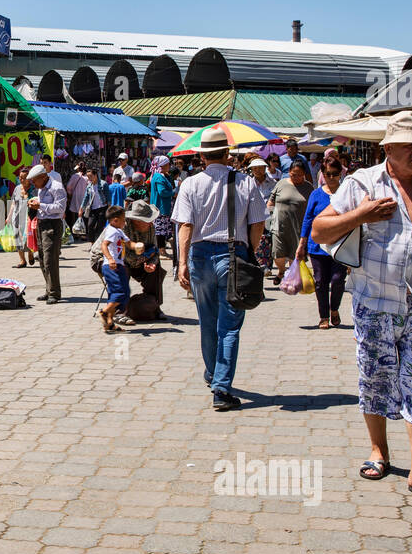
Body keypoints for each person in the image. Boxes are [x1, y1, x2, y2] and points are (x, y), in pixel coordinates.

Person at [311, 110, 412, 506]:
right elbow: (319, 230)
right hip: (374, 302)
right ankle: (378, 450)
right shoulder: (362, 183)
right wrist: (361, 214)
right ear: (388, 148)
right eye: (409, 145)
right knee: (375, 378)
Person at [173, 126, 266, 411]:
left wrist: (181, 262)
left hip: (200, 256)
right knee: (229, 327)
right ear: (227, 154)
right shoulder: (245, 182)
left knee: (208, 322)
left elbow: (185, 226)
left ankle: (214, 373)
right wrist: (248, 250)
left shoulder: (190, 184)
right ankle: (221, 388)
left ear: (202, 157)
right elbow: (259, 222)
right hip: (233, 255)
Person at [297, 155, 348, 330]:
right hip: (317, 246)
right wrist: (301, 244)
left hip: (340, 245)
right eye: (328, 174)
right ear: (323, 174)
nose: (331, 177)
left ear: (340, 174)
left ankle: (334, 309)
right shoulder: (316, 194)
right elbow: (307, 219)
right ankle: (323, 316)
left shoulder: (346, 193)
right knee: (320, 281)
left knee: (338, 279)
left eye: (335, 174)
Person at [269, 160, 313, 286]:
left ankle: (291, 276)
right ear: (289, 172)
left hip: (298, 226)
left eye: (299, 175)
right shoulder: (281, 183)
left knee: (295, 253)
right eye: (293, 174)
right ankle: (281, 271)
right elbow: (271, 201)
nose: (296, 177)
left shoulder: (308, 187)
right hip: (279, 225)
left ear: (304, 174)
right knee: (278, 254)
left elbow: (312, 207)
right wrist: (268, 217)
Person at [29, 162, 66, 303]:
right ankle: (49, 288)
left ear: (43, 177)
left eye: (34, 180)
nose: (33, 183)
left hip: (52, 225)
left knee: (50, 259)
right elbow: (42, 202)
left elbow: (60, 208)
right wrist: (35, 203)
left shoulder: (57, 187)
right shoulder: (41, 187)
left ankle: (54, 293)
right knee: (42, 258)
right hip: (41, 223)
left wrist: (40, 205)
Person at [124, 200, 165, 317]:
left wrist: (151, 263)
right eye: (146, 221)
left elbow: (155, 250)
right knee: (121, 268)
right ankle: (120, 309)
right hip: (115, 260)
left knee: (156, 268)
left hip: (139, 259)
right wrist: (145, 257)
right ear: (136, 220)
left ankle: (155, 305)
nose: (150, 223)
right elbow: (126, 257)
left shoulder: (150, 227)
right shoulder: (124, 226)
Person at [98, 205, 135, 333]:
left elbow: (129, 244)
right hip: (111, 266)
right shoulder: (111, 231)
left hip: (119, 266)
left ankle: (109, 323)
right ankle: (104, 312)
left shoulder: (119, 231)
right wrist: (110, 258)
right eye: (123, 219)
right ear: (115, 220)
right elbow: (104, 245)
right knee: (120, 292)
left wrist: (139, 247)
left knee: (120, 292)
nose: (125, 222)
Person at [9, 166, 34, 268]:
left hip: (28, 218)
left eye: (24, 177)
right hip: (17, 217)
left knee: (28, 238)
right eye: (20, 177)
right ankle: (22, 260)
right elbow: (13, 203)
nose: (21, 179)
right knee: (17, 238)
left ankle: (30, 253)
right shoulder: (17, 188)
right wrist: (9, 217)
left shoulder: (33, 189)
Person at [80, 169, 107, 246]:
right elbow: (86, 198)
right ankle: (93, 243)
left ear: (95, 175)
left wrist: (109, 208)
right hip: (93, 209)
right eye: (88, 177)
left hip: (102, 208)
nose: (89, 178)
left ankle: (99, 244)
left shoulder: (103, 184)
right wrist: (81, 208)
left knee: (100, 227)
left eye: (90, 176)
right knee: (90, 225)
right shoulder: (89, 186)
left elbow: (108, 197)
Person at [65, 164, 87, 232]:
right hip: (84, 198)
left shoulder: (74, 176)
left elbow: (68, 187)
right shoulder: (87, 177)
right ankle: (83, 232)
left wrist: (70, 193)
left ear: (78, 169)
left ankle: (75, 232)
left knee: (74, 215)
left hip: (75, 197)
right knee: (83, 215)